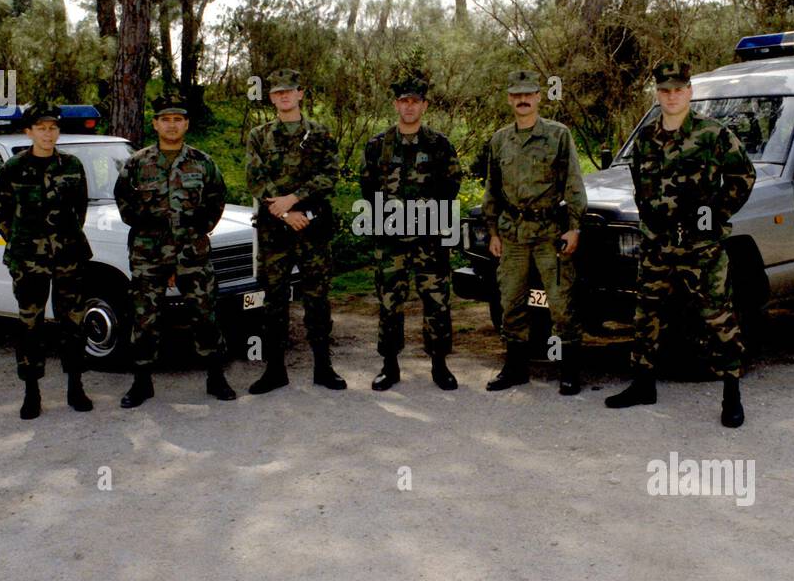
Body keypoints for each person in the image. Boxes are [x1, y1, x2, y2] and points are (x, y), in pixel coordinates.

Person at [606, 61, 757, 427]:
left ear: (689, 92)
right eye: (664, 90)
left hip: (700, 247)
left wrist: (713, 214)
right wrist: (652, 221)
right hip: (658, 244)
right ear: (657, 94)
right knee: (646, 315)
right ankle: (643, 383)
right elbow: (641, 187)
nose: (671, 96)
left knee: (718, 317)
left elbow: (744, 176)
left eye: (677, 89)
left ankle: (731, 394)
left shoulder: (712, 134)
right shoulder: (644, 139)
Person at [114, 92, 236, 409]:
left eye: (177, 120)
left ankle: (216, 376)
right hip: (148, 254)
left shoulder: (203, 162)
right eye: (165, 120)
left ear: (186, 124)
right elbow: (125, 205)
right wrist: (151, 225)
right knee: (144, 319)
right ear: (155, 124)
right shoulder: (137, 164)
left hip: (192, 253)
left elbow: (216, 200)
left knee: (205, 314)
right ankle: (142, 382)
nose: (171, 125)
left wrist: (196, 229)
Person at [481, 70, 587, 395]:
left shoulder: (558, 135)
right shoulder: (500, 140)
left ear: (539, 97)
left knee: (559, 302)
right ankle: (515, 368)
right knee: (511, 301)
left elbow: (573, 183)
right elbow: (492, 190)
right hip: (512, 235)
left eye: (528, 94)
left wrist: (575, 227)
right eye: (516, 95)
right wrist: (493, 231)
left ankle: (569, 370)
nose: (522, 100)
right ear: (509, 98)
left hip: (548, 234)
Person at [359, 69, 463, 391]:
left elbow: (452, 185)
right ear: (395, 105)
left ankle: (439, 365)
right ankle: (389, 365)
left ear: (424, 106)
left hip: (429, 240)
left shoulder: (439, 145)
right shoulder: (379, 146)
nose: (408, 107)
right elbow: (367, 187)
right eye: (403, 101)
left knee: (436, 302)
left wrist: (425, 217)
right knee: (390, 302)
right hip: (391, 240)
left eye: (414, 101)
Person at [245, 69, 346, 394]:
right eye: (277, 92)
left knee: (317, 299)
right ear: (271, 97)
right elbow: (256, 178)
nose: (284, 96)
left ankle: (323, 367)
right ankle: (275, 370)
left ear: (301, 93)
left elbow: (330, 175)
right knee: (273, 301)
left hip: (312, 229)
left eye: (289, 91)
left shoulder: (319, 134)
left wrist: (295, 199)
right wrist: (286, 211)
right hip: (275, 232)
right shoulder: (259, 135)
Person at [0, 103, 93, 420]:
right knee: (29, 326)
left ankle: (75, 387)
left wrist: (63, 240)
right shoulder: (13, 168)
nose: (48, 133)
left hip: (68, 257)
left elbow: (80, 209)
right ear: (29, 132)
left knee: (73, 324)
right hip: (28, 260)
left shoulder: (73, 166)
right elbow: (1, 212)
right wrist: (24, 244)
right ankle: (31, 392)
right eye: (41, 128)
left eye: (53, 128)